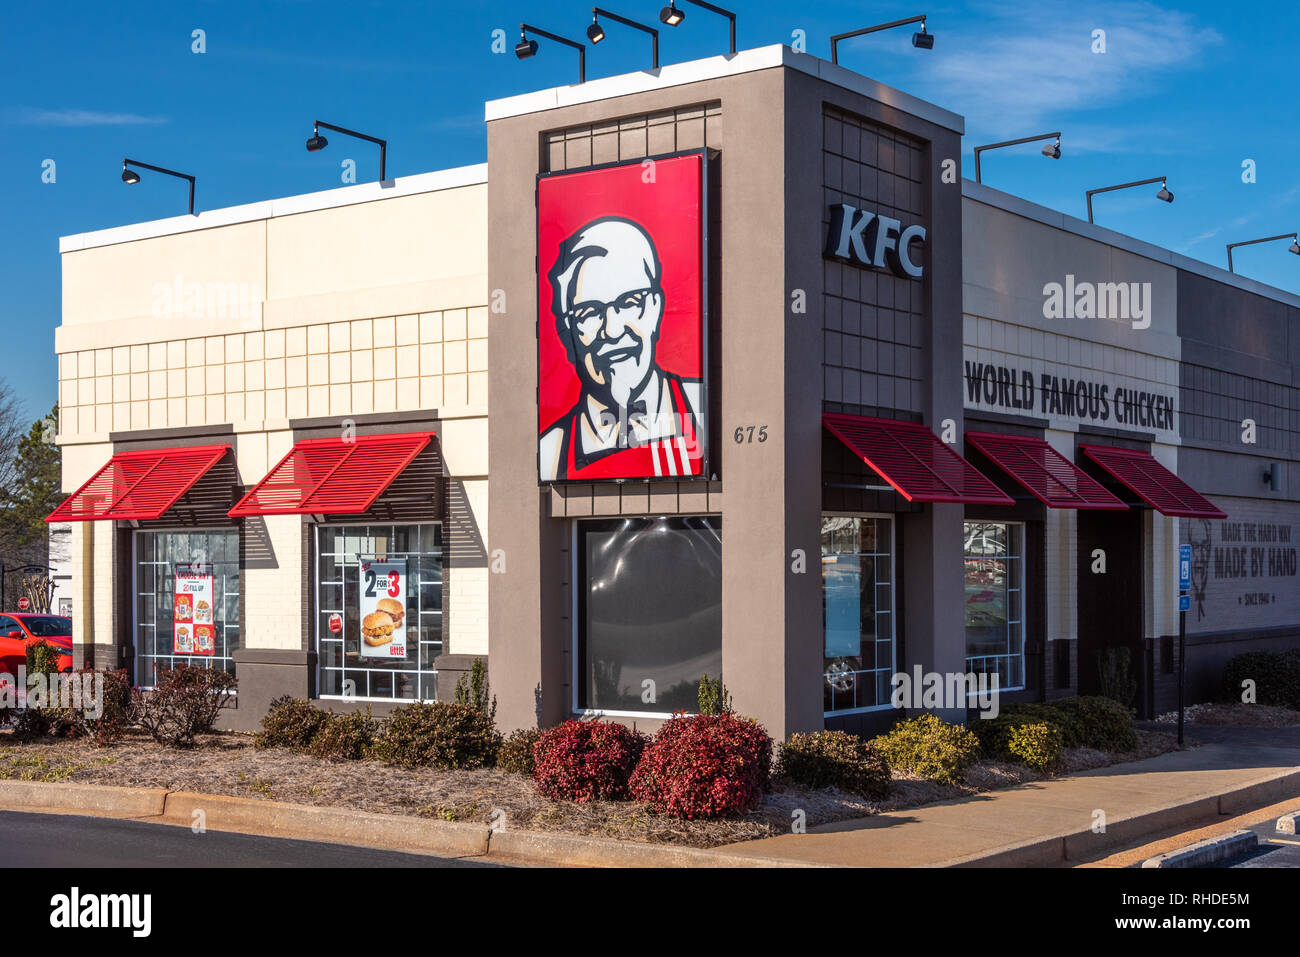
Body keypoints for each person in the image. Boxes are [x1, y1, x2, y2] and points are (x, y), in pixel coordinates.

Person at [540, 217, 703, 481]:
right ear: (569, 331)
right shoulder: (549, 453)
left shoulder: (701, 409)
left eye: (629, 302)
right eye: (589, 312)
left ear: (655, 308)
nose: (613, 331)